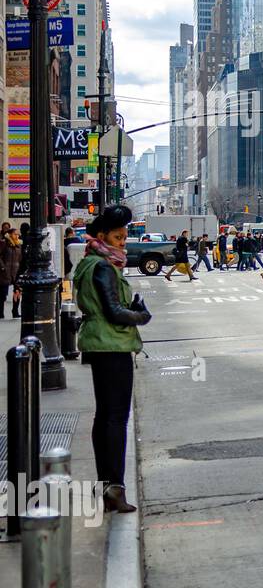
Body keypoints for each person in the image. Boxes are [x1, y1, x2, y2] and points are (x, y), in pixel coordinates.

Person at [73, 205, 151, 514]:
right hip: (112, 345)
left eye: (124, 237)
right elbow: (113, 311)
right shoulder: (103, 267)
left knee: (104, 416)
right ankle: (115, 488)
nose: (123, 243)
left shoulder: (90, 263)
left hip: (100, 343)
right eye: (118, 237)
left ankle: (106, 485)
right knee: (116, 417)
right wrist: (141, 315)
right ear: (103, 236)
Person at [0, 226, 19, 316]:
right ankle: (0, 312)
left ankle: (15, 311)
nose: (17, 236)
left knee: (17, 292)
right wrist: (2, 267)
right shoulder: (4, 244)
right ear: (10, 234)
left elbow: (20, 258)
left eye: (18, 234)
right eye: (15, 234)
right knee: (2, 294)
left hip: (16, 271)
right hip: (5, 272)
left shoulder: (18, 245)